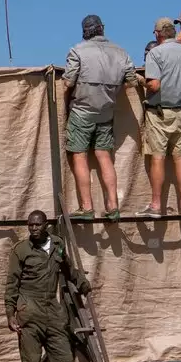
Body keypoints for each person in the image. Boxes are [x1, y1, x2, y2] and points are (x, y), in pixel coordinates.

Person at [5, 210, 86, 362]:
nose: (33, 228)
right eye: (30, 225)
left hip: (52, 308)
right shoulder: (21, 250)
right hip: (29, 310)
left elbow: (68, 268)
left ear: (46, 225)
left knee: (64, 358)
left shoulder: (57, 245)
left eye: (37, 225)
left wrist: (82, 283)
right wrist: (10, 314)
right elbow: (12, 284)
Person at [62, 14, 141, 221]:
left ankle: (87, 208)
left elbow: (68, 82)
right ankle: (112, 207)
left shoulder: (77, 51)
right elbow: (132, 82)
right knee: (104, 157)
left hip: (81, 112)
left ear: (85, 31)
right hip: (106, 112)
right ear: (102, 29)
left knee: (79, 155)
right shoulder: (121, 53)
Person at [139, 17, 181, 217]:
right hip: (180, 112)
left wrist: (140, 80)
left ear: (158, 33)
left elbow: (154, 85)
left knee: (158, 158)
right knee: (180, 159)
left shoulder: (155, 53)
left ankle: (156, 205)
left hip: (159, 113)